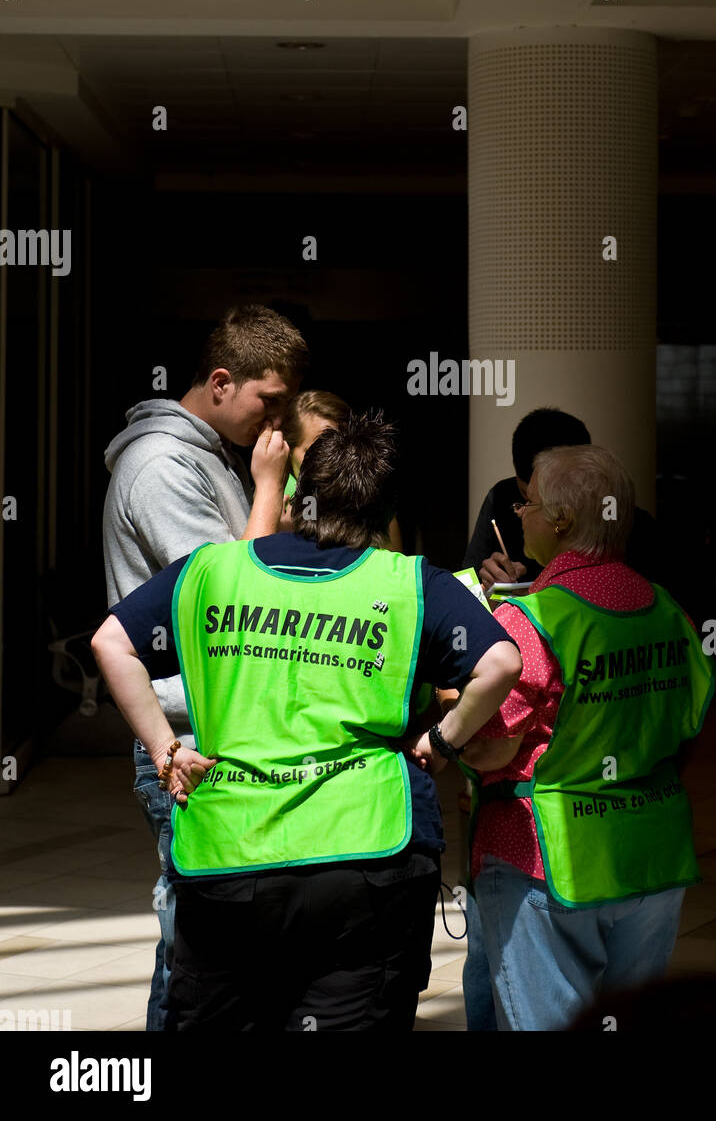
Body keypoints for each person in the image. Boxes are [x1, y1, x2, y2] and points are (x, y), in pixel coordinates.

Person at [92, 411, 522, 1031]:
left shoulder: (213, 570)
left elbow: (111, 643)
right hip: (369, 857)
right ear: (384, 513)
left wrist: (164, 748)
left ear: (299, 497)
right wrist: (442, 741)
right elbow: (501, 662)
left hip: (229, 858)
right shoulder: (409, 583)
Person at [102, 304, 308, 1031]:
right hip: (188, 740)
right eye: (269, 401)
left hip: (222, 729)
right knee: (195, 948)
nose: (277, 422)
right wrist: (267, 489)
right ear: (221, 381)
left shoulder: (212, 452)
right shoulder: (161, 465)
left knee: (216, 947)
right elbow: (234, 600)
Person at [461, 444, 715, 1032]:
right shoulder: (670, 613)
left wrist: (450, 723)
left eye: (526, 504)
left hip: (543, 859)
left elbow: (491, 745)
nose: (517, 513)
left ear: (561, 521)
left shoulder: (532, 620)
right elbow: (686, 731)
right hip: (652, 852)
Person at [463, 406, 660, 590]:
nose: (521, 510)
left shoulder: (626, 523)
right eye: (524, 496)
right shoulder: (501, 496)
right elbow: (465, 582)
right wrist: (486, 589)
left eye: (531, 501)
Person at [282, 389, 403, 550]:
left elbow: (391, 560)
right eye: (315, 449)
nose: (335, 460)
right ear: (289, 450)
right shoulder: (295, 496)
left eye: (342, 447)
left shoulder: (370, 493)